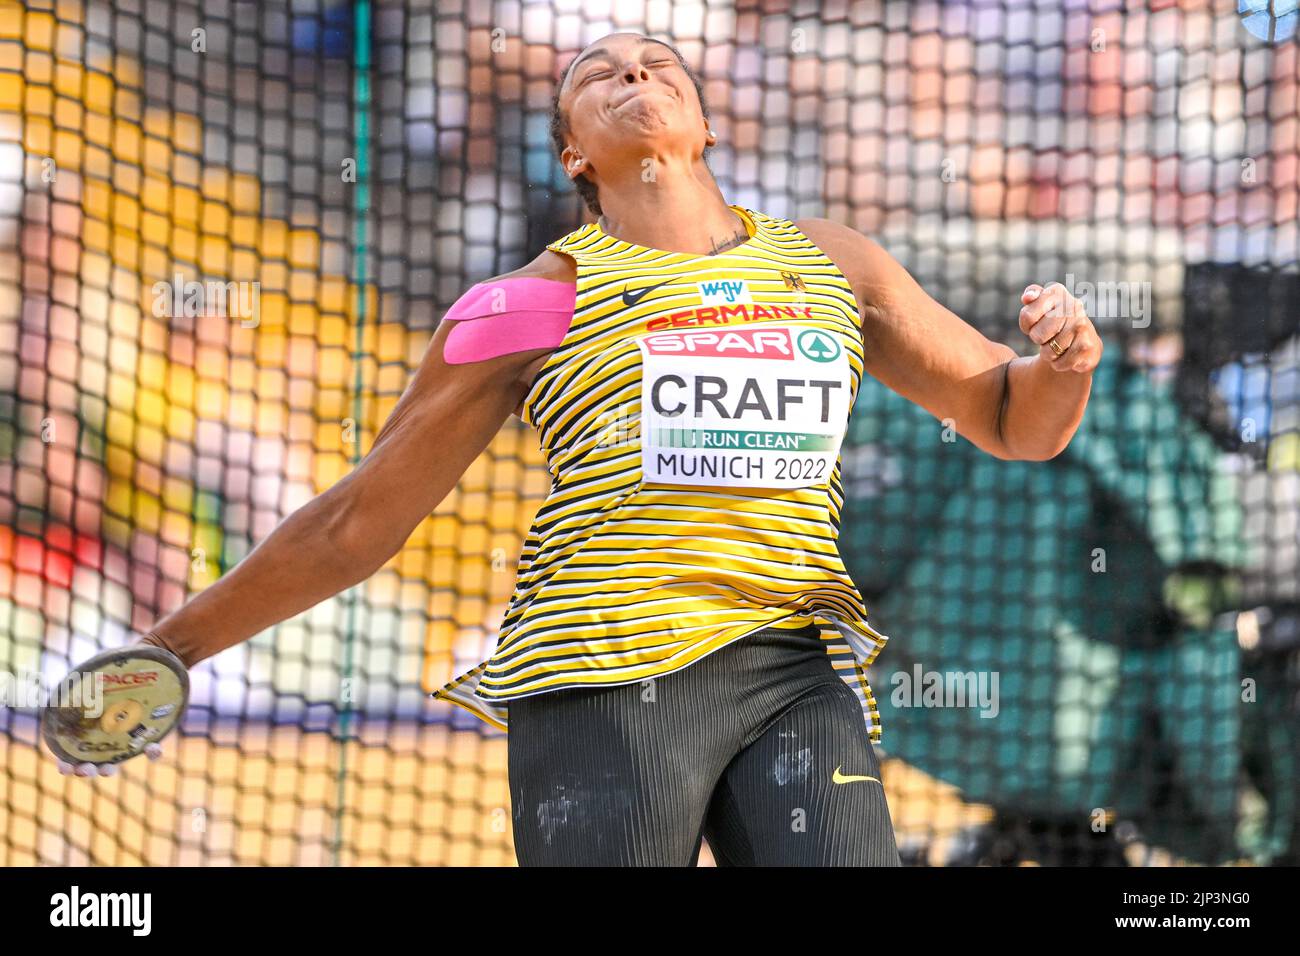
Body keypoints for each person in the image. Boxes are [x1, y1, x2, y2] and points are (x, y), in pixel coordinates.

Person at [61, 32, 1102, 866]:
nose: (633, 72)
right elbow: (354, 523)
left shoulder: (832, 263)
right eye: (598, 73)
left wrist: (1065, 361)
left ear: (697, 123)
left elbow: (1013, 418)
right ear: (572, 151)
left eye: (657, 65)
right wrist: (170, 648)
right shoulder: (524, 303)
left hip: (791, 663)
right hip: (602, 677)